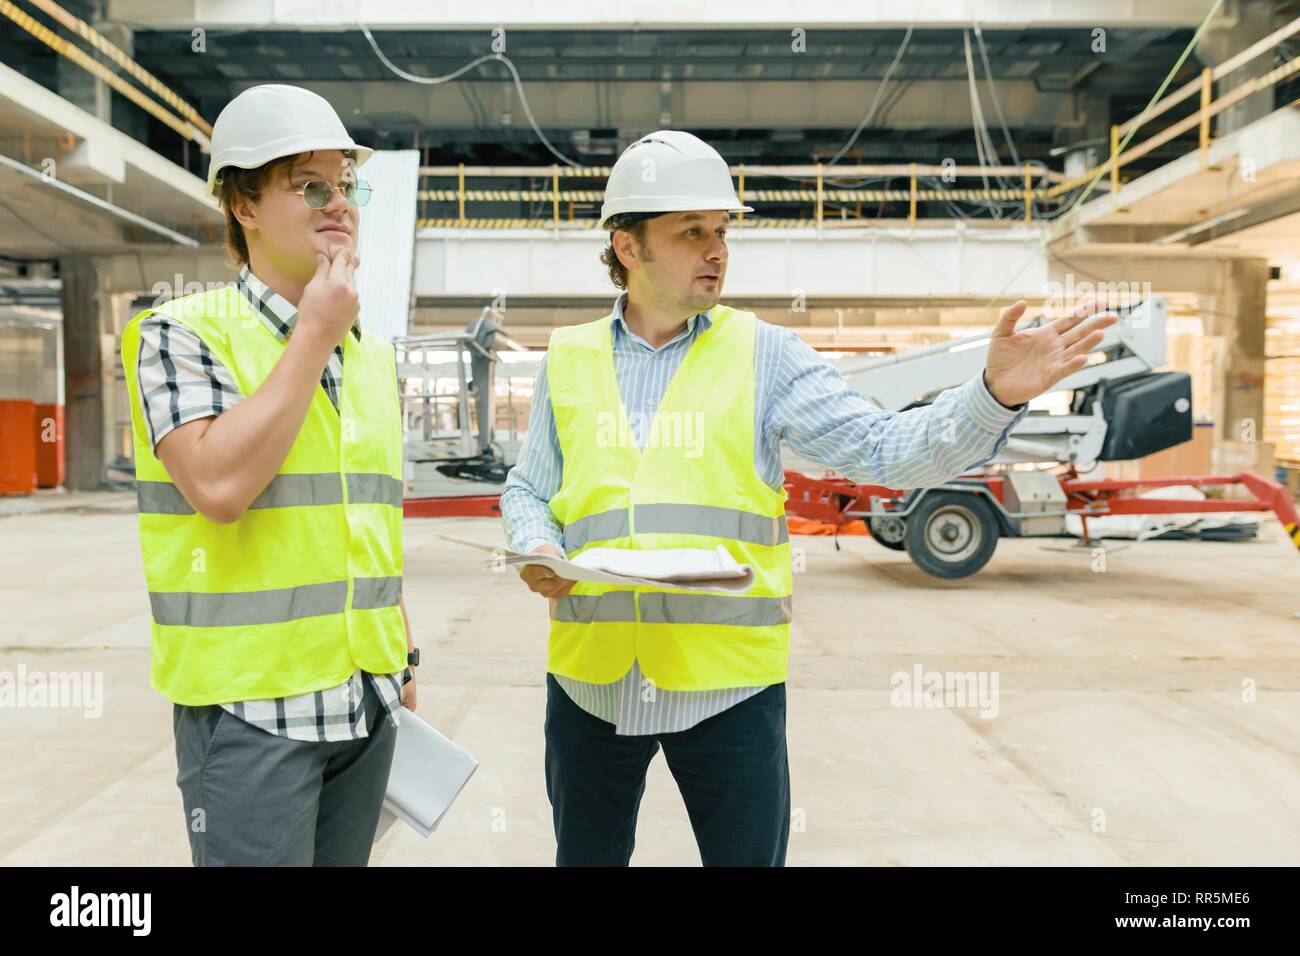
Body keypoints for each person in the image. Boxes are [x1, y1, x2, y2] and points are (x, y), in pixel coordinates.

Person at [500, 129, 1117, 866]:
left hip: (726, 689)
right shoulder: (567, 359)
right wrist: (535, 545)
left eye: (722, 230)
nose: (716, 249)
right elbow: (529, 487)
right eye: (690, 230)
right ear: (627, 247)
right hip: (590, 683)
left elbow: (888, 452)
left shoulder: (765, 355)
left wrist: (991, 397)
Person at [119, 84, 419, 866]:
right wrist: (315, 333)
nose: (339, 205)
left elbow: (369, 525)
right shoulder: (177, 333)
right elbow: (219, 488)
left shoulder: (372, 358)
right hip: (251, 711)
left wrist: (400, 661)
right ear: (243, 203)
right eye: (309, 185)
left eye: (346, 186)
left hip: (366, 701)